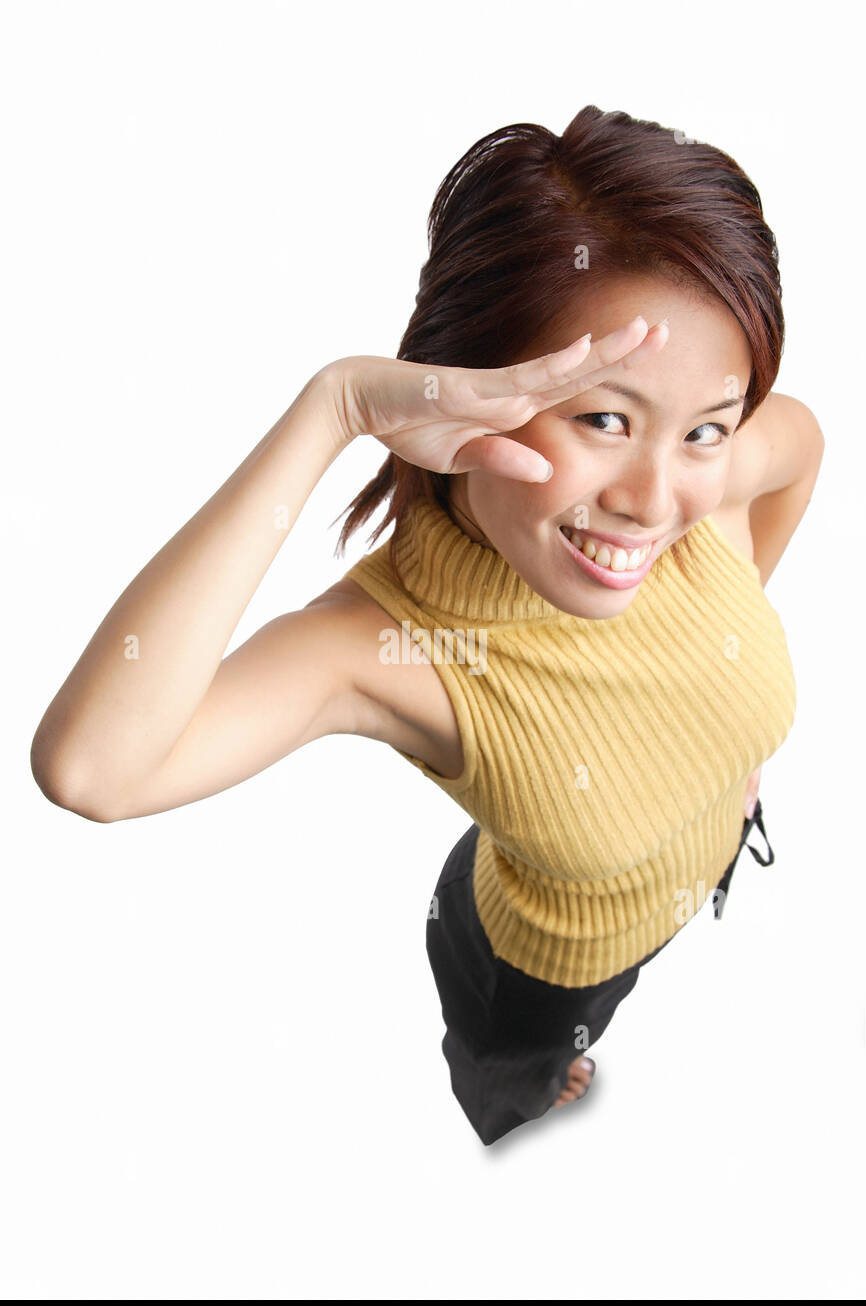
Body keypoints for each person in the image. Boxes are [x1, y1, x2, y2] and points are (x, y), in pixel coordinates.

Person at [30, 106, 823, 1146]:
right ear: (468, 378)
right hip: (535, 968)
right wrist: (335, 410)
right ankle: (527, 1084)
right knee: (523, 1071)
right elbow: (94, 771)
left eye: (704, 430)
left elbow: (798, 445)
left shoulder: (701, 494)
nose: (651, 498)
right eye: (601, 418)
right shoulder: (385, 645)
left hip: (684, 879)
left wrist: (715, 724)